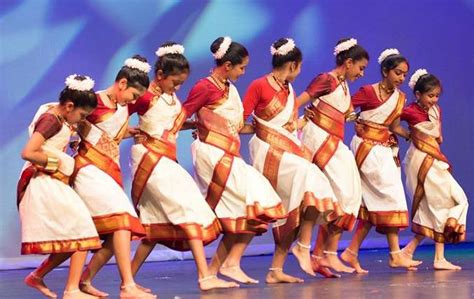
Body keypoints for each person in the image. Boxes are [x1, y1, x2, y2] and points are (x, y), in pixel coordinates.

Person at [18, 74, 101, 298]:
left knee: (78, 233)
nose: (80, 120)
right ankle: (72, 290)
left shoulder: (60, 118)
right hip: (44, 181)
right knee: (83, 229)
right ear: (69, 105)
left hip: (53, 181)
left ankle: (37, 277)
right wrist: (59, 162)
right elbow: (28, 152)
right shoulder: (51, 119)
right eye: (81, 115)